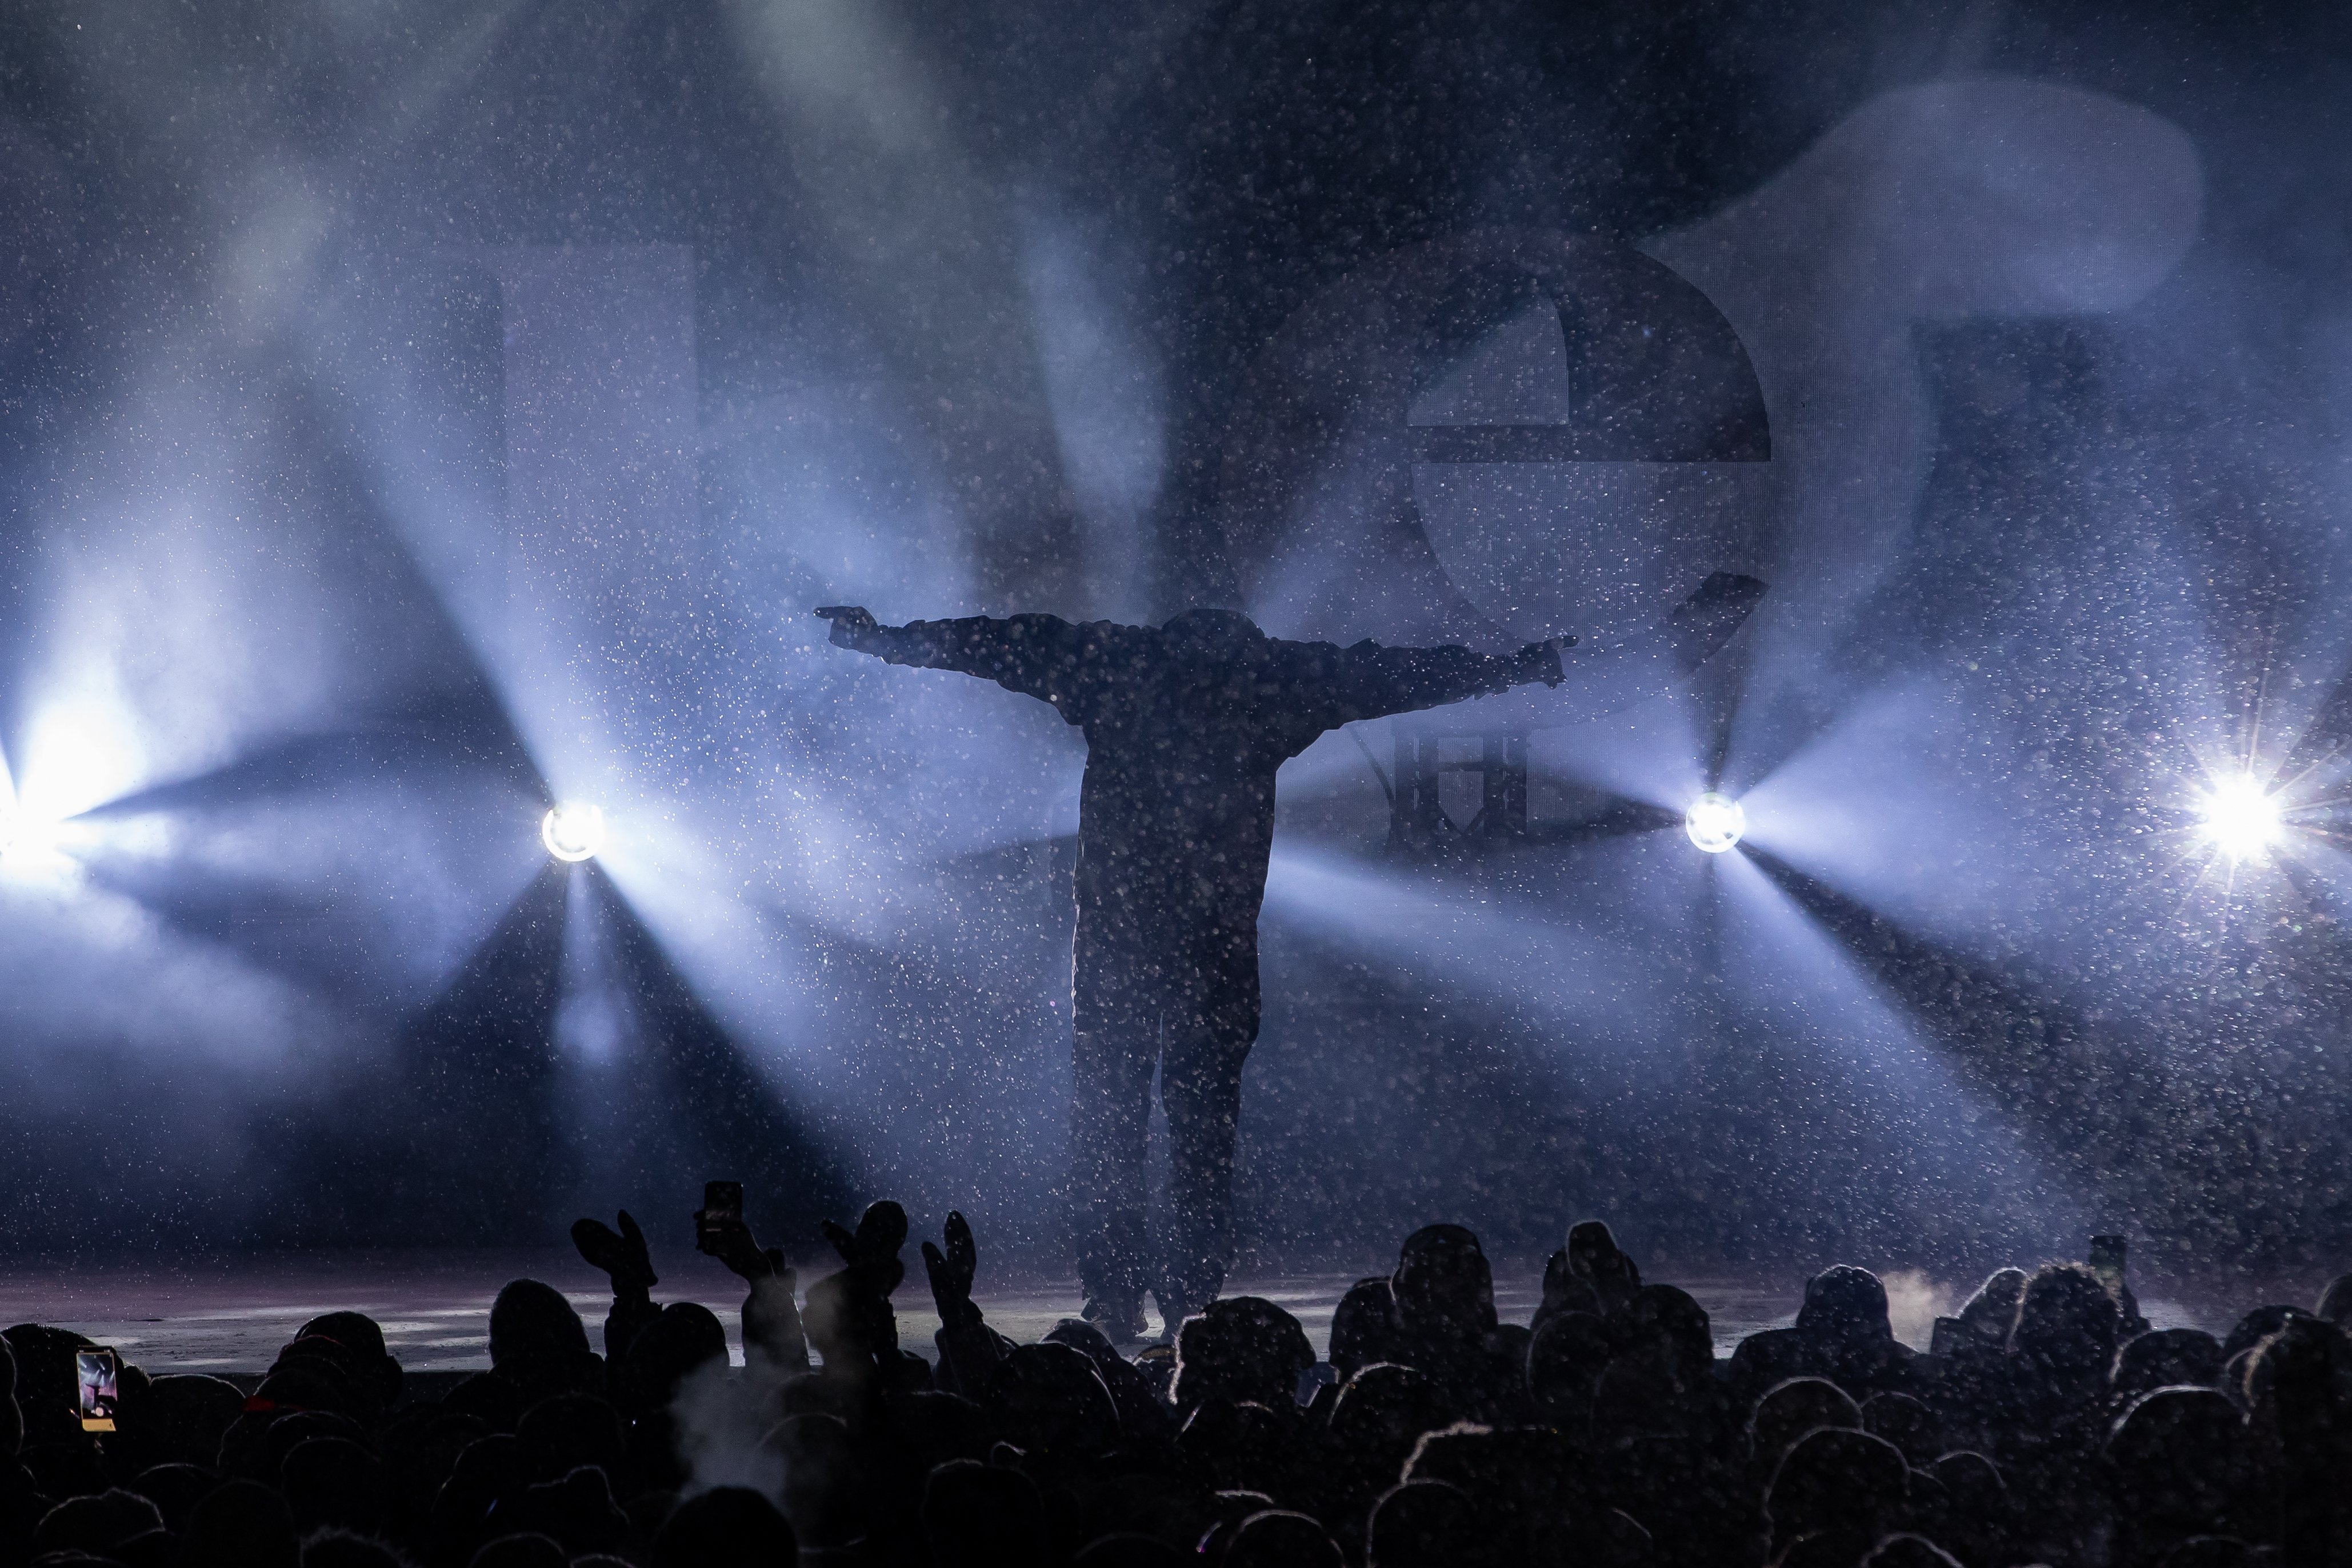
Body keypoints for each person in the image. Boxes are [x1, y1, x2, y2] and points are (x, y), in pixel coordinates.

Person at [814, 602, 1582, 1337]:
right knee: (1198, 1133)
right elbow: (1400, 675)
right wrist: (1512, 668)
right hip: (1207, 948)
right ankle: (1186, 1297)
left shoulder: (1121, 663)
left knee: (1113, 1125)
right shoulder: (1269, 679)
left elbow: (994, 644)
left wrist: (887, 639)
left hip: (1124, 942)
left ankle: (1117, 1295)